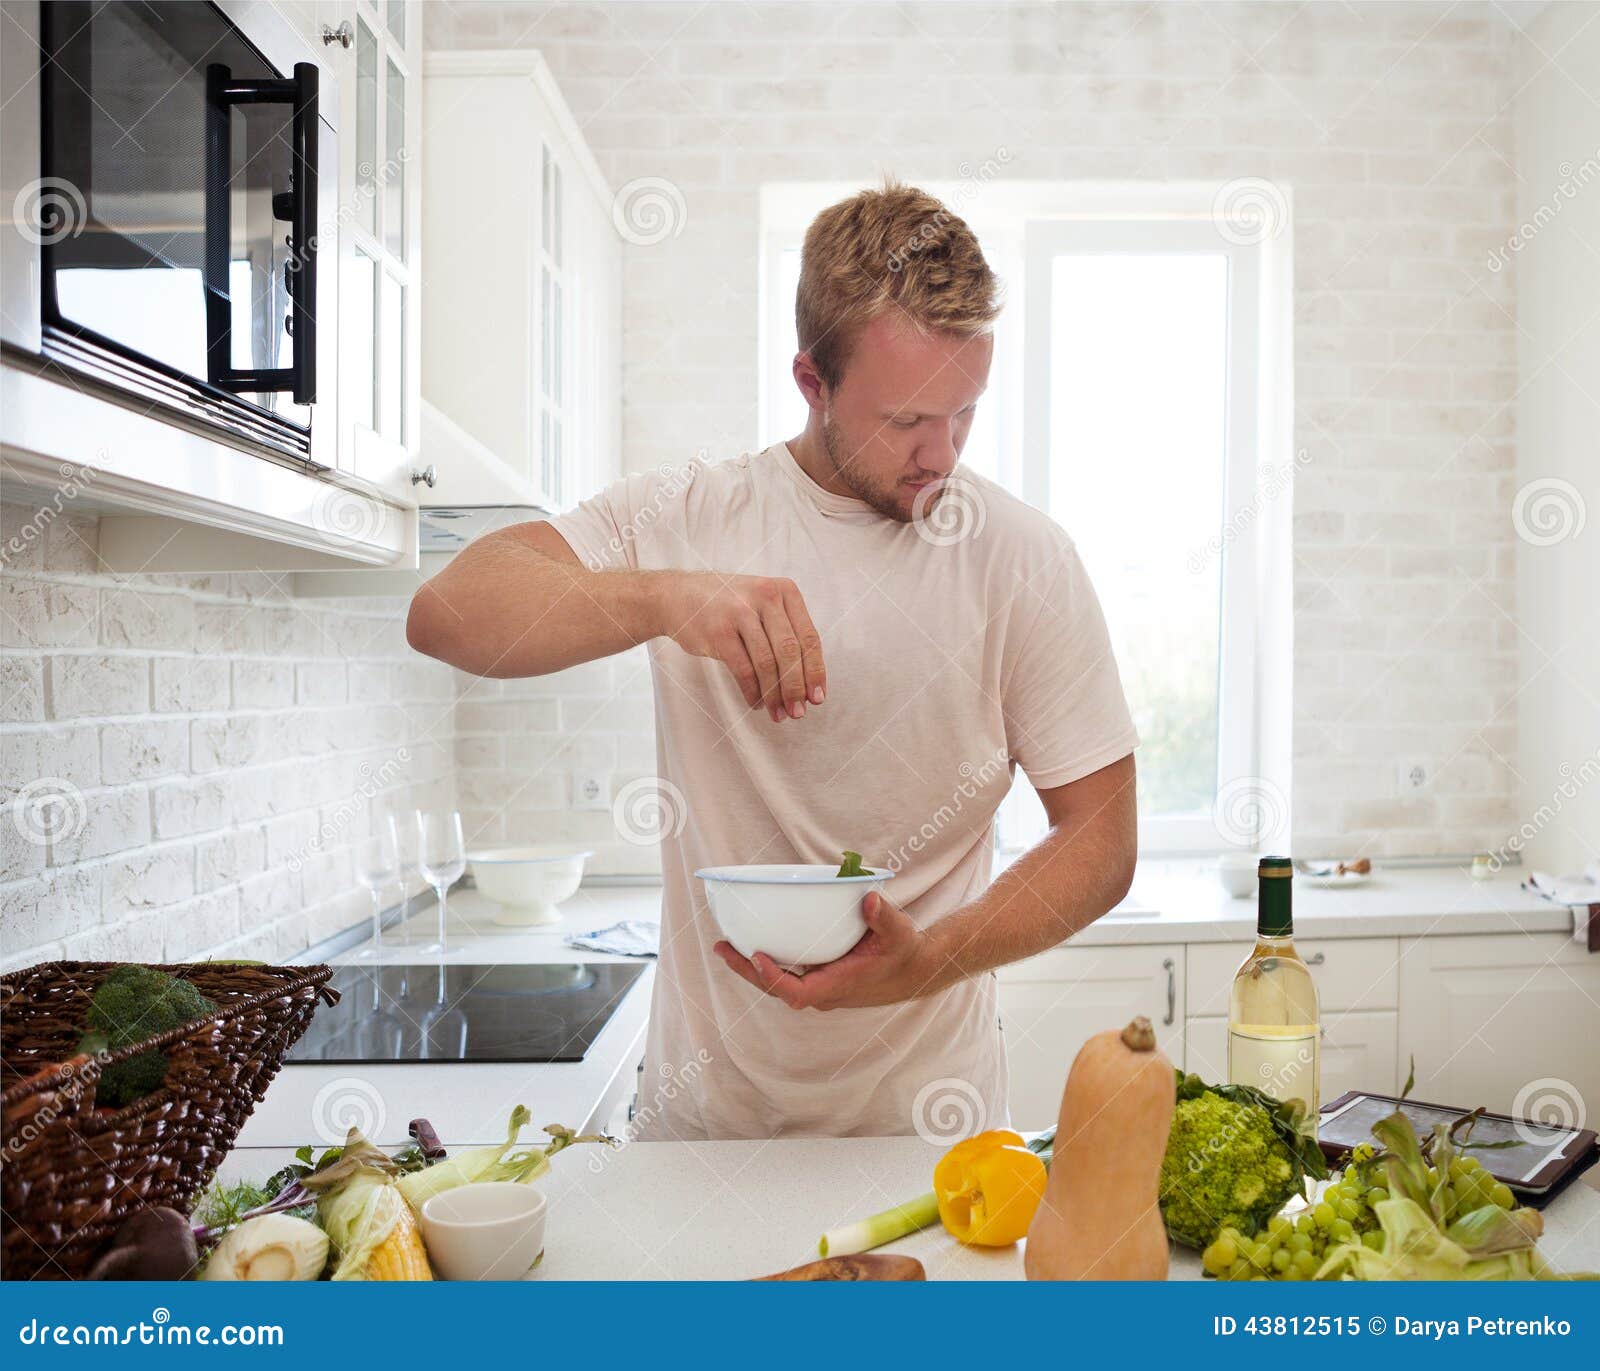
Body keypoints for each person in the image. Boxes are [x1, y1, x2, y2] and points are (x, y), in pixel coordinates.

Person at [406, 180, 1138, 1141]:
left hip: (932, 1143)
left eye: (964, 411)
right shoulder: (688, 516)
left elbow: (1103, 838)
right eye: (905, 419)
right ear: (812, 382)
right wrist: (670, 597)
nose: (941, 454)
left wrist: (931, 958)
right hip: (705, 1134)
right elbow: (447, 612)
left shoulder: (1023, 556)